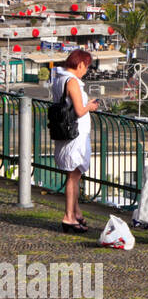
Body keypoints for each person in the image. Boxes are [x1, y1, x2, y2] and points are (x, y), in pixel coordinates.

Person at [50, 50, 99, 232]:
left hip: (65, 132)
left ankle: (76, 212)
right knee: (74, 176)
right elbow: (79, 110)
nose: (85, 71)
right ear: (80, 65)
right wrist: (91, 106)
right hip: (75, 134)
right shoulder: (72, 81)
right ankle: (69, 217)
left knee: (73, 174)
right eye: (85, 67)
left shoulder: (58, 79)